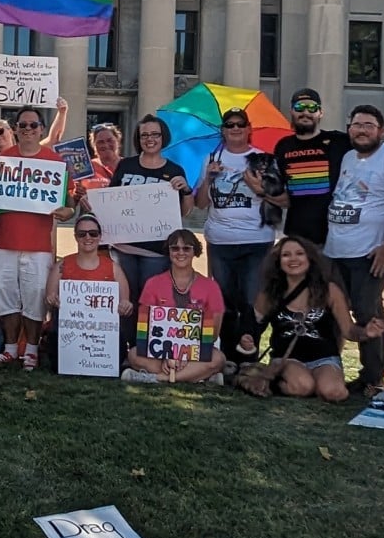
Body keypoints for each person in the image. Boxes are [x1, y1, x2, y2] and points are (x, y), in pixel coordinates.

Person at [0, 102, 62, 370]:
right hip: (4, 244)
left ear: (41, 128)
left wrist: (67, 209)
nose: (28, 129)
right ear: (16, 129)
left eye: (33, 125)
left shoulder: (54, 162)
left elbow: (67, 201)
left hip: (37, 246)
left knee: (34, 300)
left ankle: (30, 351)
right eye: (23, 125)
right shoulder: (1, 160)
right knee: (6, 298)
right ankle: (10, 349)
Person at [322, 104, 384, 395]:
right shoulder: (347, 157)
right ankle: (332, 369)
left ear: (381, 130)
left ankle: (373, 378)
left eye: (369, 125)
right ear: (349, 129)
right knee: (335, 311)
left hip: (370, 252)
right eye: (357, 124)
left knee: (368, 311)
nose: (362, 130)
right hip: (336, 250)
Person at [193, 107, 278, 367]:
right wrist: (208, 179)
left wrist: (257, 185)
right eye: (229, 125)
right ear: (223, 130)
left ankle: (248, 352)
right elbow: (200, 203)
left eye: (240, 124)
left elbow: (279, 199)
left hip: (256, 239)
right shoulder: (211, 158)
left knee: (252, 299)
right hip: (220, 241)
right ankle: (229, 356)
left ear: (249, 128)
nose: (235, 129)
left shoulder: (263, 159)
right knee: (225, 299)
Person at [237, 235, 363, 402]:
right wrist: (248, 338)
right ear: (278, 262)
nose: (293, 259)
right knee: (303, 387)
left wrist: (366, 332)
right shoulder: (270, 293)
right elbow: (254, 322)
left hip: (324, 358)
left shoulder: (329, 290)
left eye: (299, 253)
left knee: (335, 393)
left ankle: (314, 379)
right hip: (287, 358)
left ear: (309, 258)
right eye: (286, 255)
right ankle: (275, 378)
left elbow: (349, 330)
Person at [105, 116, 194, 301]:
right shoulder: (125, 165)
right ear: (138, 139)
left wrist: (186, 190)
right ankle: (126, 332)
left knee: (150, 302)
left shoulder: (175, 170)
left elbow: (184, 212)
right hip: (123, 248)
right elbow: (110, 200)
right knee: (123, 301)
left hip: (156, 252)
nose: (149, 139)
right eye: (144, 135)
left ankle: (143, 332)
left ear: (163, 138)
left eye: (155, 134)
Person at [125, 229, 227, 385]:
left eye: (186, 248)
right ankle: (199, 376)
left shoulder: (211, 287)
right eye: (175, 248)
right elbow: (145, 327)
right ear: (169, 251)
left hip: (196, 352)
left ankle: (158, 378)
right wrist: (167, 355)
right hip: (159, 352)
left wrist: (185, 354)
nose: (181, 253)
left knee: (219, 359)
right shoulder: (153, 283)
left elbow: (212, 334)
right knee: (133, 354)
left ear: (195, 252)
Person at [271, 89, 352, 249]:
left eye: (312, 107)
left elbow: (370, 146)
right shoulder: (283, 146)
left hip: (333, 233)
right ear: (291, 112)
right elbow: (282, 192)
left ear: (320, 112)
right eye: (299, 107)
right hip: (296, 232)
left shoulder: (339, 141)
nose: (305, 112)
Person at [50, 210, 133, 347]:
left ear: (100, 237)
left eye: (93, 233)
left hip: (103, 339)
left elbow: (126, 302)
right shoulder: (62, 265)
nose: (87, 237)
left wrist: (125, 306)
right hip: (69, 337)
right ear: (75, 237)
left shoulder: (113, 268)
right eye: (82, 234)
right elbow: (49, 296)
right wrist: (53, 299)